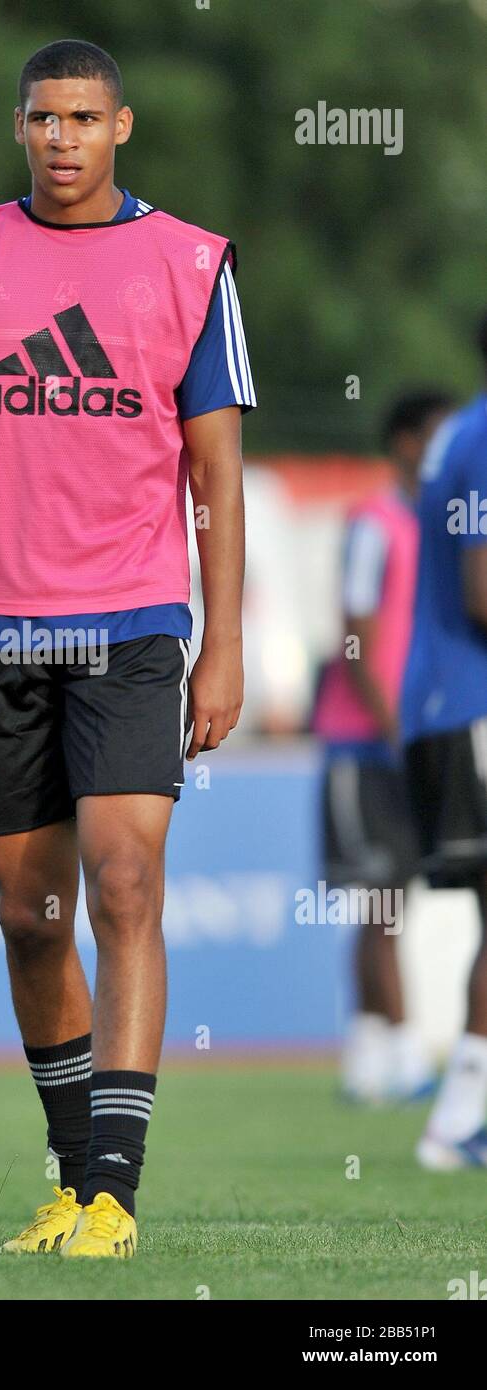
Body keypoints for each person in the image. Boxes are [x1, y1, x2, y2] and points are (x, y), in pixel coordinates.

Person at [0, 39, 254, 1256]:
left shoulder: (189, 263)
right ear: (18, 126)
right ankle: (71, 1173)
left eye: (85, 117)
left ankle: (115, 1199)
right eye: (43, 118)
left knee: (124, 879)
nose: (62, 138)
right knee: (28, 913)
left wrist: (223, 644)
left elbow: (216, 477)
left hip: (133, 623)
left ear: (122, 127)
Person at [313, 391, 453, 1103]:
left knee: (394, 900)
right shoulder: (373, 523)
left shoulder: (436, 525)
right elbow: (356, 637)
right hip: (365, 747)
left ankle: (367, 1059)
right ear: (402, 441)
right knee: (378, 905)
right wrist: (397, 731)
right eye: (433, 435)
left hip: (408, 740)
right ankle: (399, 1055)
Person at [401, 317, 487, 1168]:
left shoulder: (461, 429)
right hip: (473, 704)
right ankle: (460, 1119)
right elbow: (483, 588)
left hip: (443, 704)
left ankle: (463, 1115)